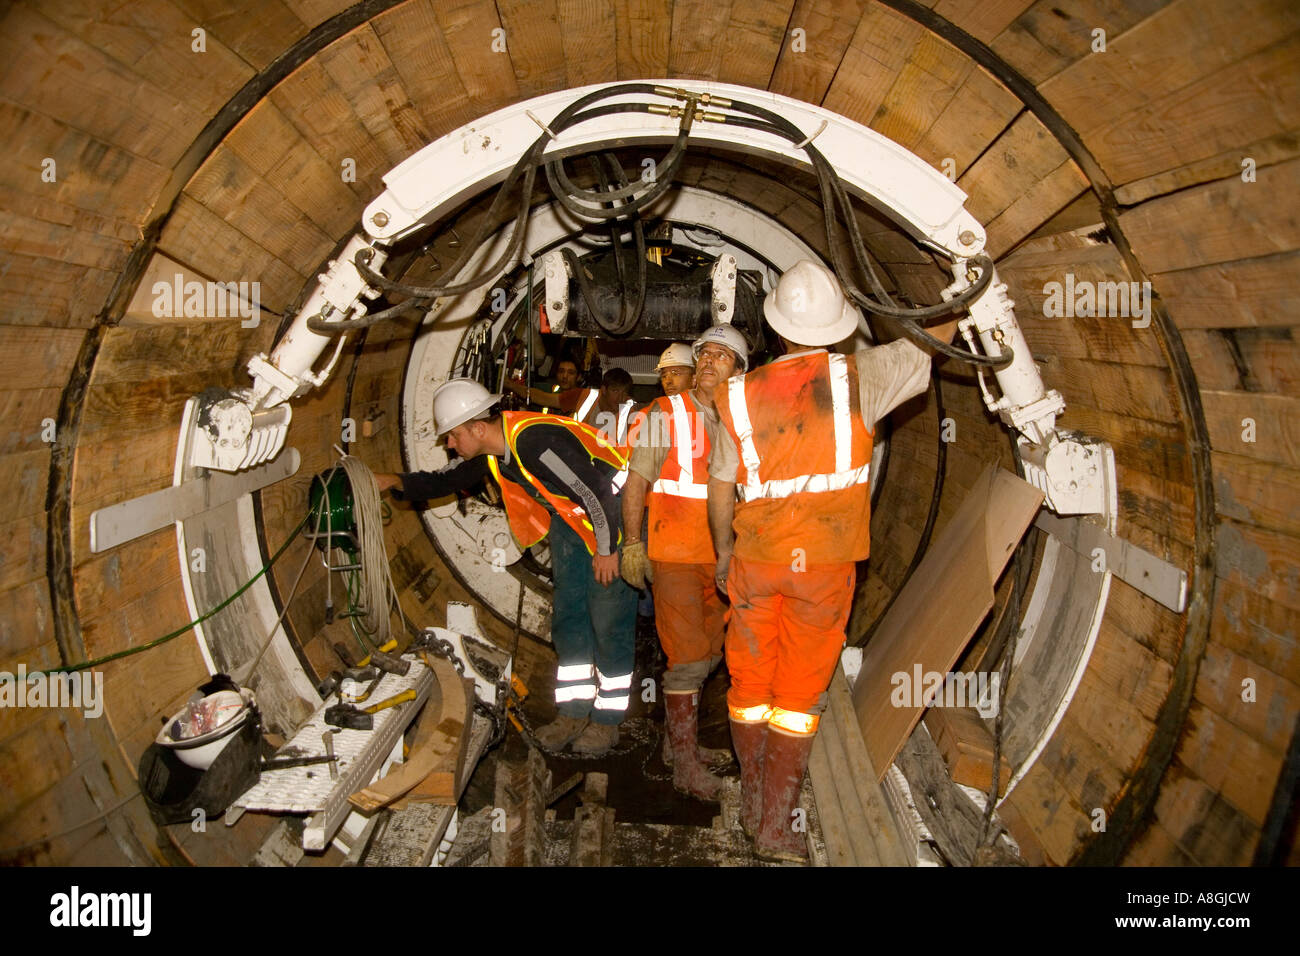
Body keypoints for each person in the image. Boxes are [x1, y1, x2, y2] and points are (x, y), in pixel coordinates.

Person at [707, 259, 961, 861]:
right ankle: (776, 826)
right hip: (821, 570)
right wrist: (960, 293)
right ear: (839, 327)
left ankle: (751, 802)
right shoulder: (862, 377)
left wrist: (723, 551)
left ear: (778, 328)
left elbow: (721, 487)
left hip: (755, 563)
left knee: (748, 686)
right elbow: (931, 341)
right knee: (797, 699)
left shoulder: (735, 396)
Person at [375, 379, 637, 755]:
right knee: (569, 617)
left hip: (612, 518)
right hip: (571, 523)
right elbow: (447, 480)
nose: (450, 444)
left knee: (608, 620)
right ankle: (574, 712)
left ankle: (607, 721)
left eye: (452, 436)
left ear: (477, 429)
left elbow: (597, 492)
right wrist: (394, 481)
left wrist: (609, 549)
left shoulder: (534, 442)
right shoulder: (493, 452)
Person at [620, 326, 748, 800]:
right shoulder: (663, 412)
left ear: (739, 370)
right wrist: (632, 542)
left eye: (724, 356)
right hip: (673, 553)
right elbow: (636, 482)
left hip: (723, 559)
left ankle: (682, 745)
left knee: (715, 652)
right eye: (706, 354)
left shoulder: (743, 417)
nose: (711, 361)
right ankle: (684, 768)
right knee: (688, 660)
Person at [507, 367, 635, 450]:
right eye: (615, 391)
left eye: (624, 392)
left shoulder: (632, 412)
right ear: (604, 390)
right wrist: (509, 384)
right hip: (579, 458)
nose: (620, 398)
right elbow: (541, 397)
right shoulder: (583, 396)